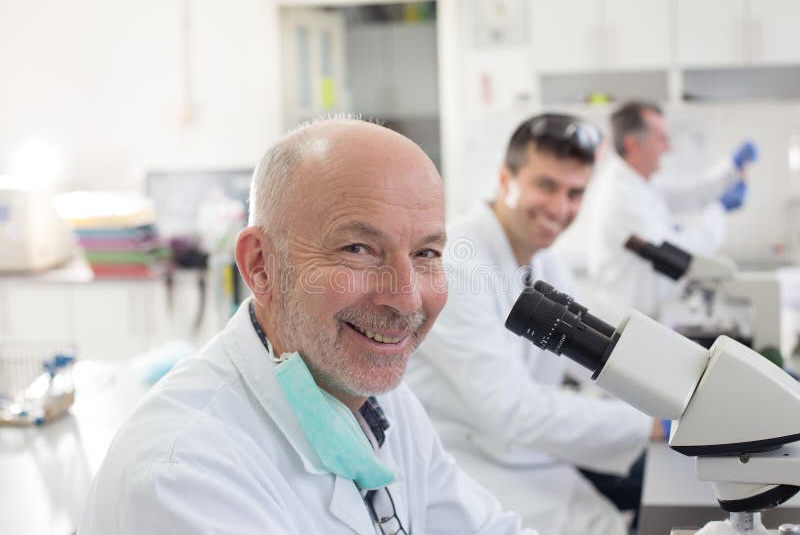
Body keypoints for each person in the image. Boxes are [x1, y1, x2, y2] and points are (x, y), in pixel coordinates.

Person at [78, 119, 537, 534]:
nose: (406, 297)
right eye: (358, 248)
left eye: (426, 254)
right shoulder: (183, 475)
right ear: (260, 266)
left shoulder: (384, 403)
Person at [405, 113, 654, 535]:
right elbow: (513, 410)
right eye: (546, 186)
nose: (560, 208)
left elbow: (595, 354)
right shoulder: (457, 262)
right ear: (506, 179)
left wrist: (673, 389)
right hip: (468, 467)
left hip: (522, 456)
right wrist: (651, 425)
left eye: (575, 193)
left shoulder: (545, 262)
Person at [586, 100, 759, 319]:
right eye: (661, 139)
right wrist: (719, 210)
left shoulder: (639, 182)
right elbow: (684, 256)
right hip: (625, 322)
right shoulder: (619, 197)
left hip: (643, 316)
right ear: (633, 144)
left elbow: (684, 193)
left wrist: (731, 170)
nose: (668, 148)